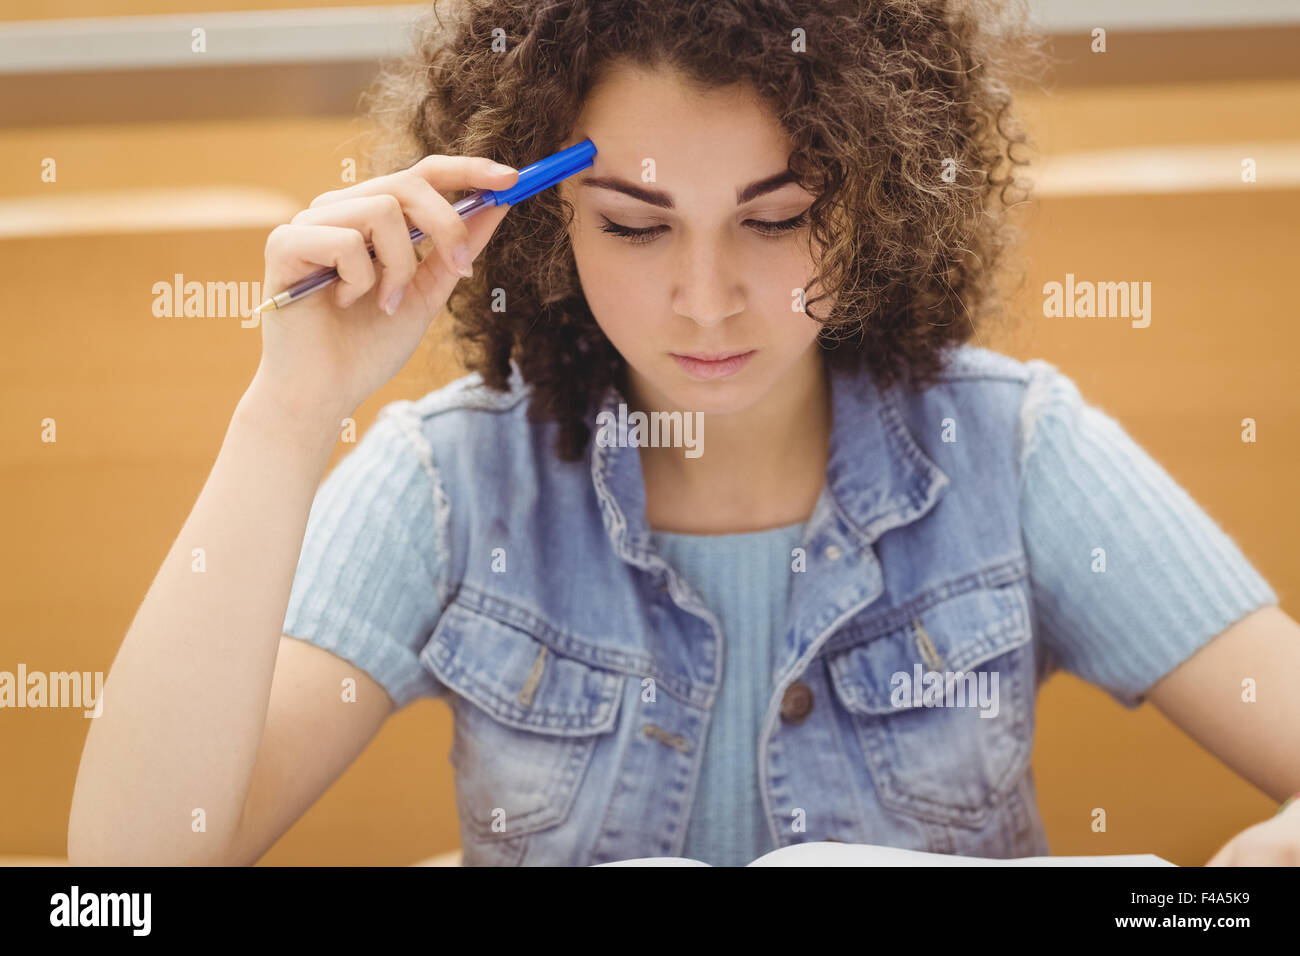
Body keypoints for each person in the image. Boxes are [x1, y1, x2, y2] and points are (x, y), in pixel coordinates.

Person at [69, 0, 1300, 867]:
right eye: (637, 227)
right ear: (544, 226)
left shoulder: (1015, 448)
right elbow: (128, 871)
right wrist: (289, 410)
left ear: (871, 208)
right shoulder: (454, 483)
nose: (705, 299)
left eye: (777, 220)